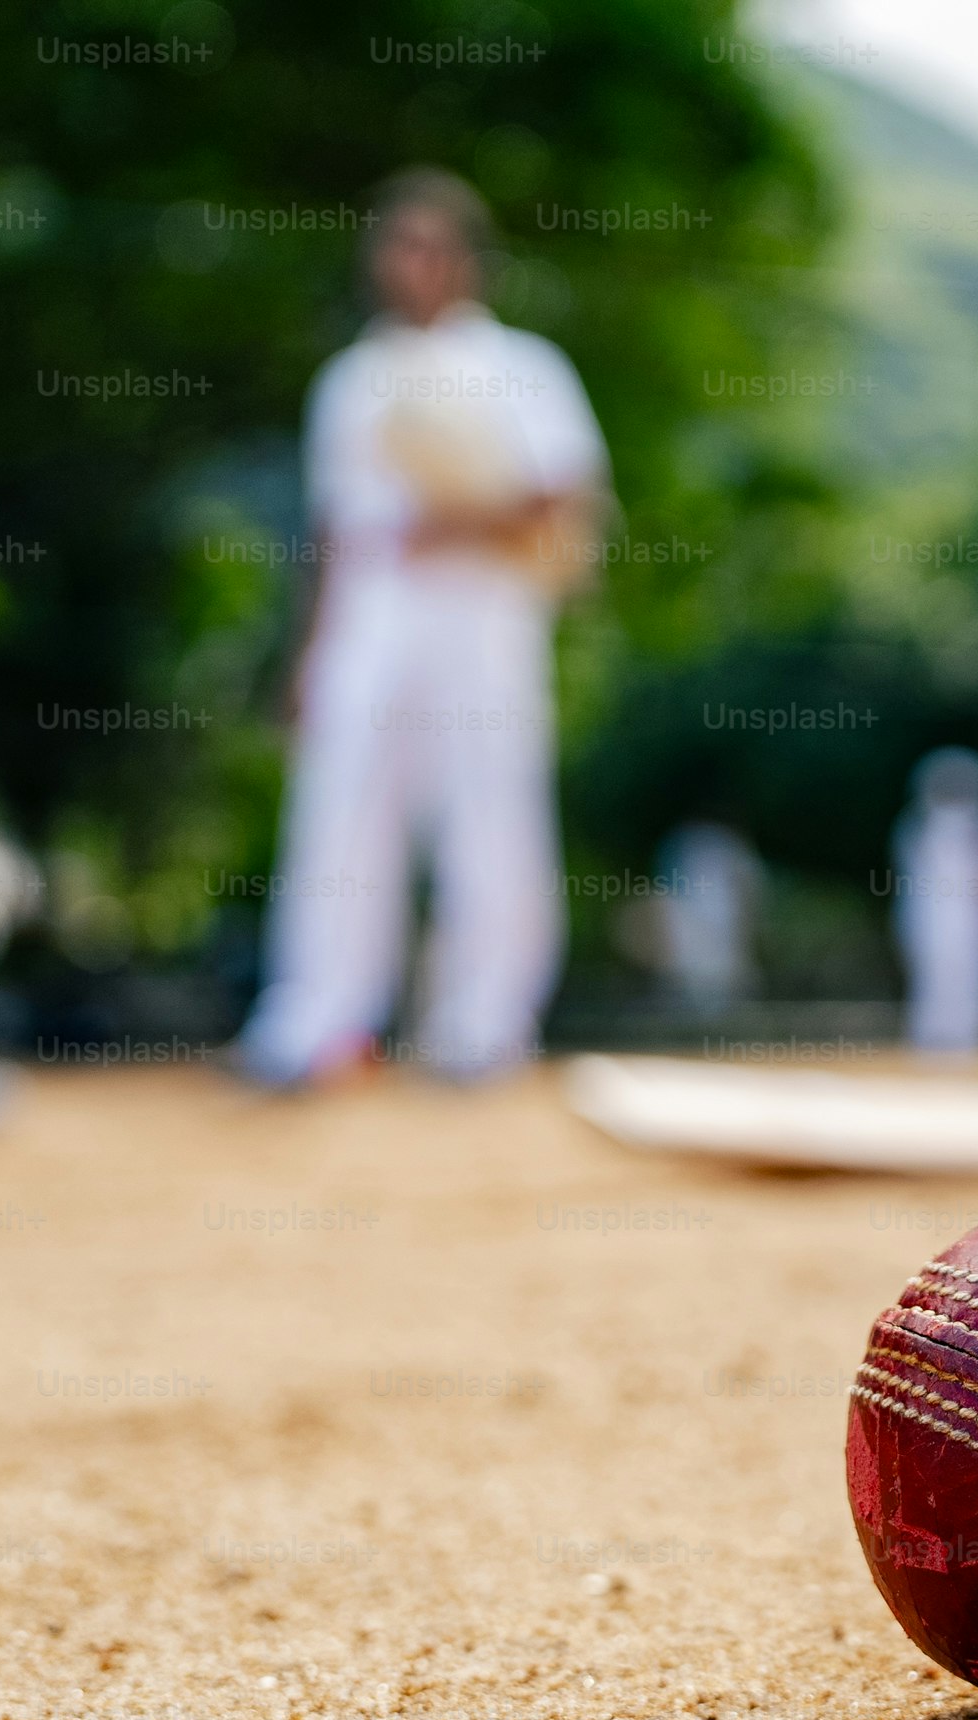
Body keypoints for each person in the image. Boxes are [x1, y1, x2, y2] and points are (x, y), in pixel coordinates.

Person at [237, 169, 610, 1089]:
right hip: (372, 624)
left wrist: (462, 522)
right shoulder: (352, 379)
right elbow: (331, 535)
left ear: (467, 258)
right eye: (398, 245)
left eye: (431, 245)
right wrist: (309, 652)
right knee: (339, 821)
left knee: (490, 817)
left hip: (482, 624)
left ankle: (481, 1027)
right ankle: (317, 1023)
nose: (414, 265)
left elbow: (567, 502)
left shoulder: (525, 367)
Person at [892, 748, 978, 1058]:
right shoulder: (977, 826)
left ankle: (937, 1043)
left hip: (938, 917)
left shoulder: (916, 825)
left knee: (940, 980)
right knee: (958, 979)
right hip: (950, 917)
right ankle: (955, 1043)